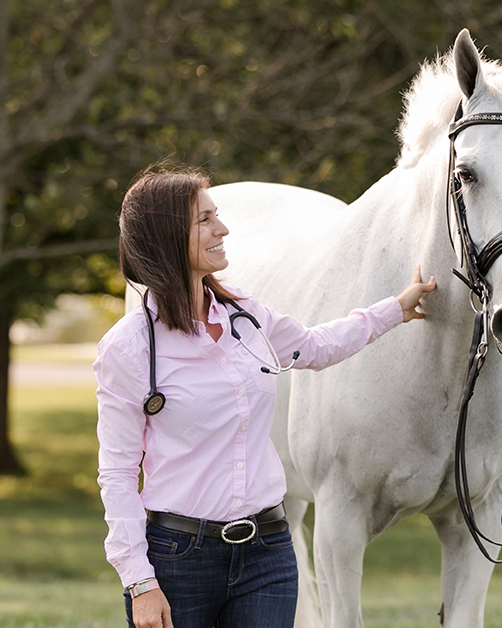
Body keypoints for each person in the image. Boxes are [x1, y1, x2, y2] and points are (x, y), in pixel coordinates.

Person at [94, 167, 437, 628]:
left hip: (267, 554)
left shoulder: (245, 315)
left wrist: (394, 308)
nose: (224, 229)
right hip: (179, 562)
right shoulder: (129, 349)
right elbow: (116, 475)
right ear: (166, 237)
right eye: (206, 220)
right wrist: (139, 581)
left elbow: (315, 346)